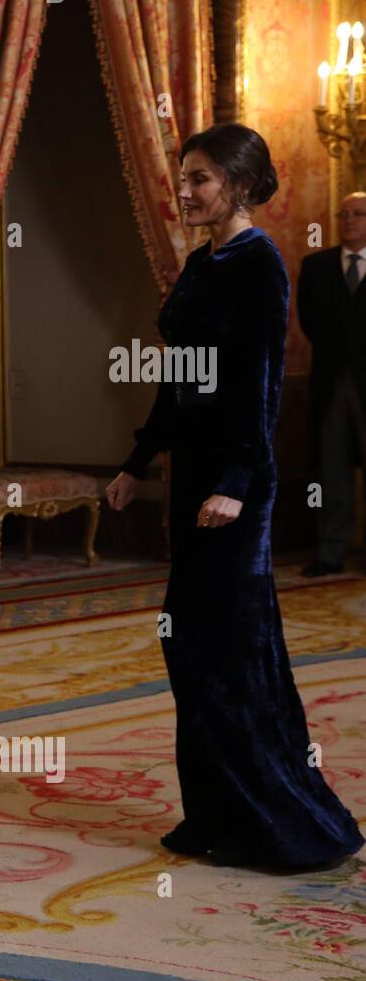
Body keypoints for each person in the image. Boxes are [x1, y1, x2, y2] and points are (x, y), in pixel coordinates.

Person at [107, 124, 364, 869]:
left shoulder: (260, 265)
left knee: (231, 655)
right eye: (183, 177)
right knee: (188, 649)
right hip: (195, 477)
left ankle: (282, 824)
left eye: (201, 180)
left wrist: (236, 485)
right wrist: (136, 460)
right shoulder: (198, 264)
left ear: (243, 185)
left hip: (234, 484)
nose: (185, 191)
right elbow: (179, 379)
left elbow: (258, 382)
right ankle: (216, 814)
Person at [296, 191, 366, 576]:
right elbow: (308, 321)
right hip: (331, 381)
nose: (349, 220)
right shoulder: (317, 265)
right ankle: (331, 551)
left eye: (358, 214)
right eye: (343, 214)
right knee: (331, 470)